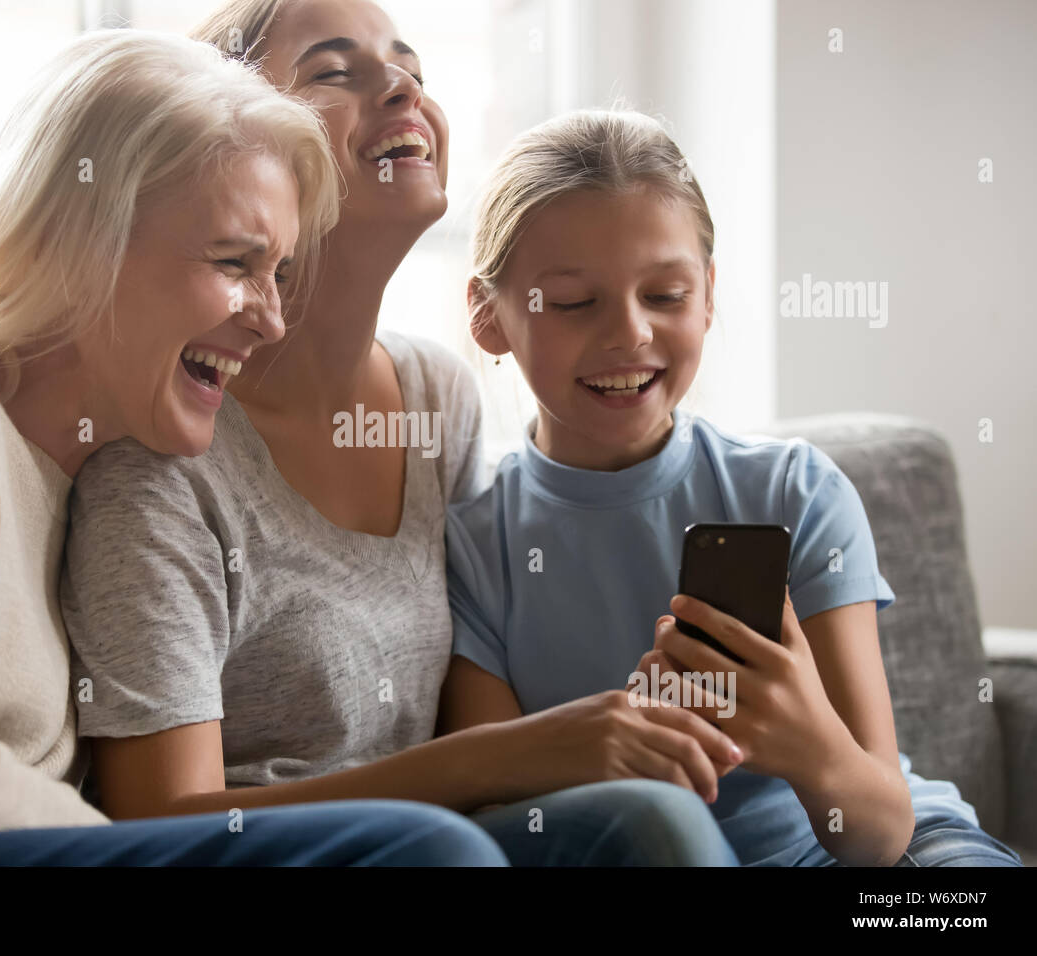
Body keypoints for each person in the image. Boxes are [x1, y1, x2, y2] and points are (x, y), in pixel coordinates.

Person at [0, 28, 506, 868]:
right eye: (234, 263)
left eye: (278, 273)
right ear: (87, 242)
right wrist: (143, 852)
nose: (271, 318)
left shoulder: (83, 481)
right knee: (428, 852)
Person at [61, 0, 741, 866]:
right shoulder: (163, 471)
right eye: (335, 72)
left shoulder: (436, 399)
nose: (403, 90)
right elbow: (161, 817)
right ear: (227, 140)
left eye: (413, 70)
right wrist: (509, 757)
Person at [438, 106, 1022, 867]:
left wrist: (806, 738)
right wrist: (617, 750)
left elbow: (880, 830)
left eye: (666, 296)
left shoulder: (794, 493)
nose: (629, 334)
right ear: (488, 316)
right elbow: (504, 821)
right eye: (576, 303)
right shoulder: (475, 544)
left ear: (708, 295)